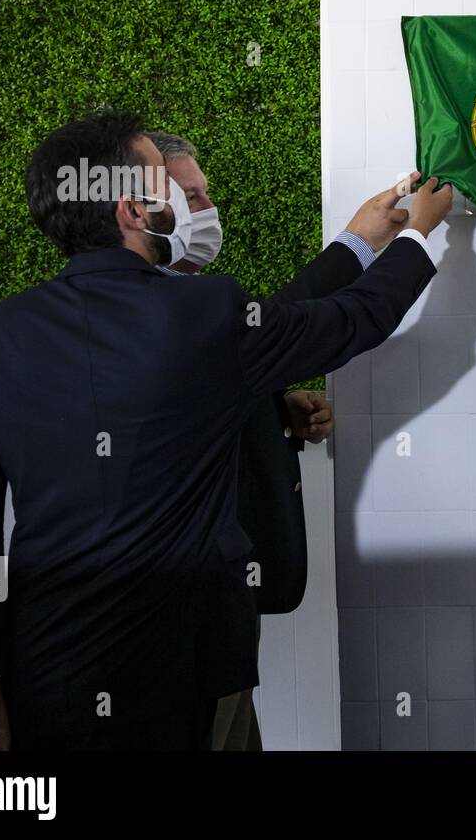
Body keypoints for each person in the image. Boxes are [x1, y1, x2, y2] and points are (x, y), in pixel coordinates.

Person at [0, 110, 452, 750]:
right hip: (193, 676)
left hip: (44, 675)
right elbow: (352, 320)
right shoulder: (205, 312)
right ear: (134, 212)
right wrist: (418, 235)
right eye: (171, 188)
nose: (193, 203)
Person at [146, 130, 380, 749]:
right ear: (143, 206)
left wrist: (275, 405)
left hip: (218, 634)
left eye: (205, 195)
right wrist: (389, 243)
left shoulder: (187, 305)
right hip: (177, 634)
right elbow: (315, 323)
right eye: (191, 197)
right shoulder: (174, 312)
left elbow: (226, 377)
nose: (207, 210)